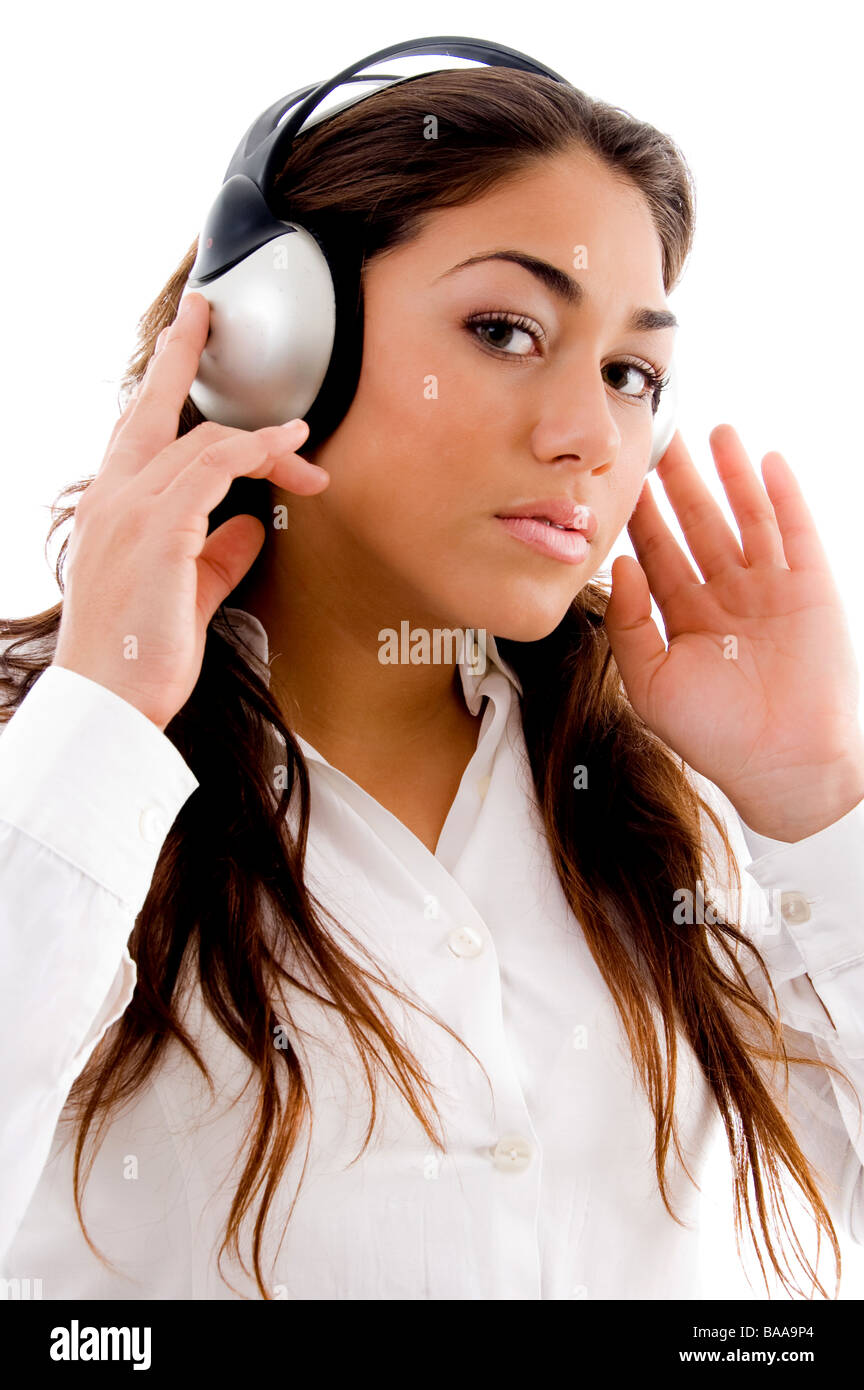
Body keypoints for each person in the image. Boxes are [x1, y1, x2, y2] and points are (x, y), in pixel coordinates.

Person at [1, 62, 863, 1302]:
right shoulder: (38, 765)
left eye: (632, 373)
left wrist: (820, 802)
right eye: (507, 329)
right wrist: (96, 726)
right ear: (276, 343)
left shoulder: (684, 810)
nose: (593, 434)